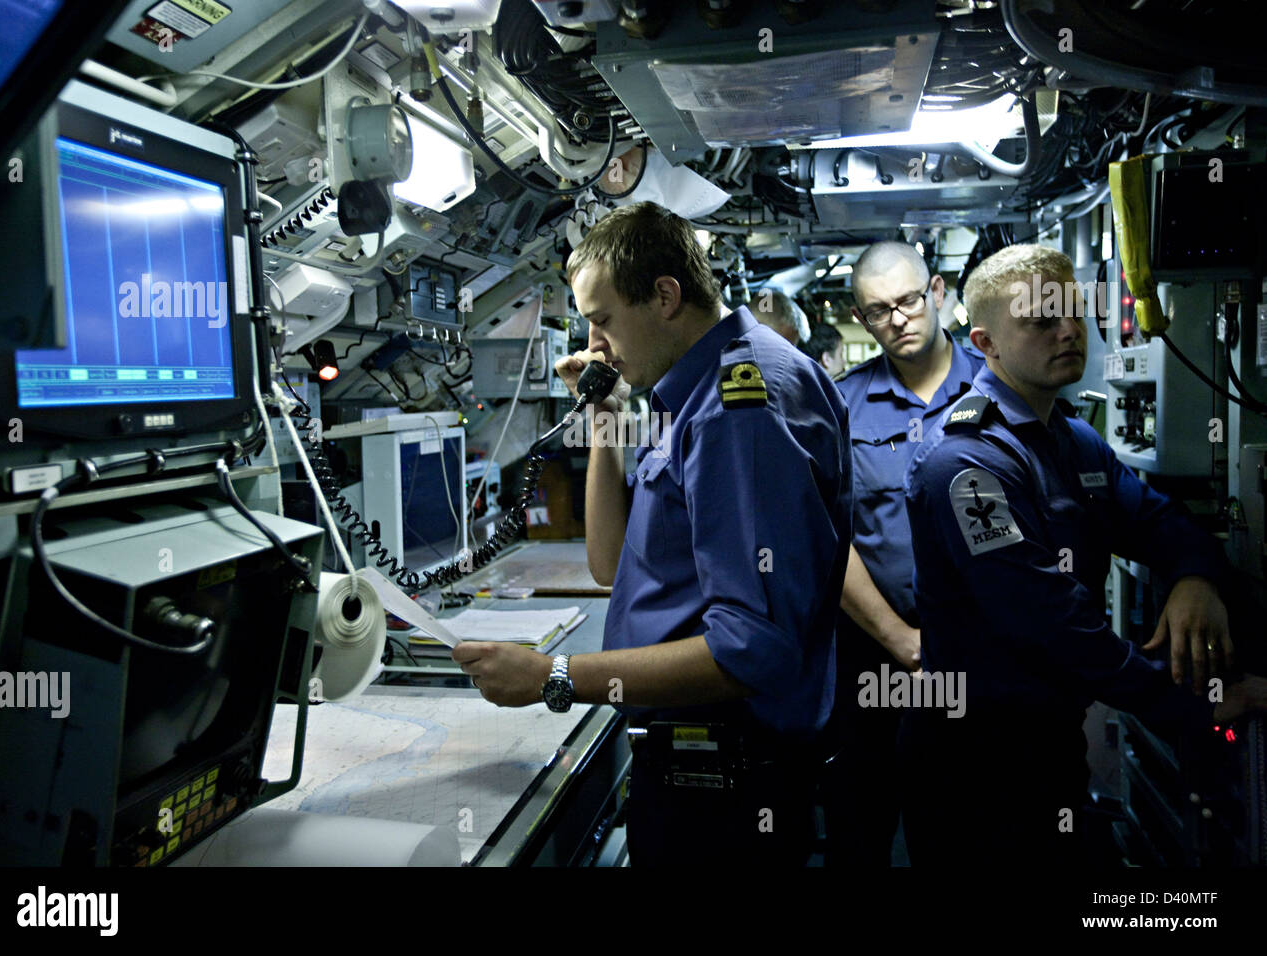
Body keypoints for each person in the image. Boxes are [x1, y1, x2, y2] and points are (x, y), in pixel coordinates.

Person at [452, 202, 852, 866]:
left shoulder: (738, 407)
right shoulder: (692, 395)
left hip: (727, 781)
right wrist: (605, 423)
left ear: (665, 296)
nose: (595, 344)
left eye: (603, 320)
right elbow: (613, 565)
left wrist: (555, 675)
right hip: (697, 764)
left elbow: (752, 649)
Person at [901, 243, 1267, 865]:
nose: (1070, 330)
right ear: (986, 343)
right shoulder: (965, 464)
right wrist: (1201, 702)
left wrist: (1194, 579)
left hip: (1047, 746)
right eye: (1042, 320)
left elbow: (1160, 522)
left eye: (1073, 312)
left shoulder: (1072, 440)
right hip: (975, 766)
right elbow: (1050, 624)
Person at [820, 241, 984, 867]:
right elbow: (826, 537)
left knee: (958, 834)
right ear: (861, 320)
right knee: (860, 829)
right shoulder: (839, 406)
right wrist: (898, 639)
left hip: (979, 661)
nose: (899, 318)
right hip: (873, 659)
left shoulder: (1000, 389)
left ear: (938, 293)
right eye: (879, 310)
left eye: (910, 300)